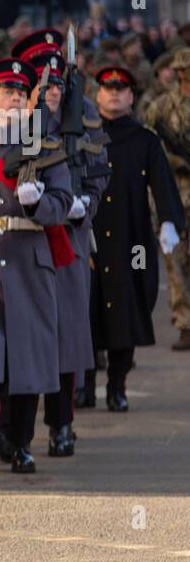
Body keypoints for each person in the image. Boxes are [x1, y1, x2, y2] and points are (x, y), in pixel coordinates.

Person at [0, 57, 72, 475]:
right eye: (6, 92)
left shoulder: (45, 145)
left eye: (21, 94)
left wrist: (38, 201)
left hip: (27, 253)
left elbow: (62, 204)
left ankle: (19, 441)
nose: (14, 98)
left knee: (26, 354)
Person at [85, 64, 185, 409]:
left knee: (126, 309)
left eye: (121, 88)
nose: (114, 92)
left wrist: (170, 222)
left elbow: (161, 182)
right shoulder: (84, 136)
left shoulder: (144, 139)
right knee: (86, 307)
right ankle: (84, 384)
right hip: (89, 234)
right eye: (107, 87)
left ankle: (117, 383)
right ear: (97, 94)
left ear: (131, 96)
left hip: (131, 239)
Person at [139, 48, 190, 351]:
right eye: (182, 70)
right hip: (173, 195)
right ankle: (184, 323)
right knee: (175, 263)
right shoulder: (162, 107)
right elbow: (150, 144)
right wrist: (174, 161)